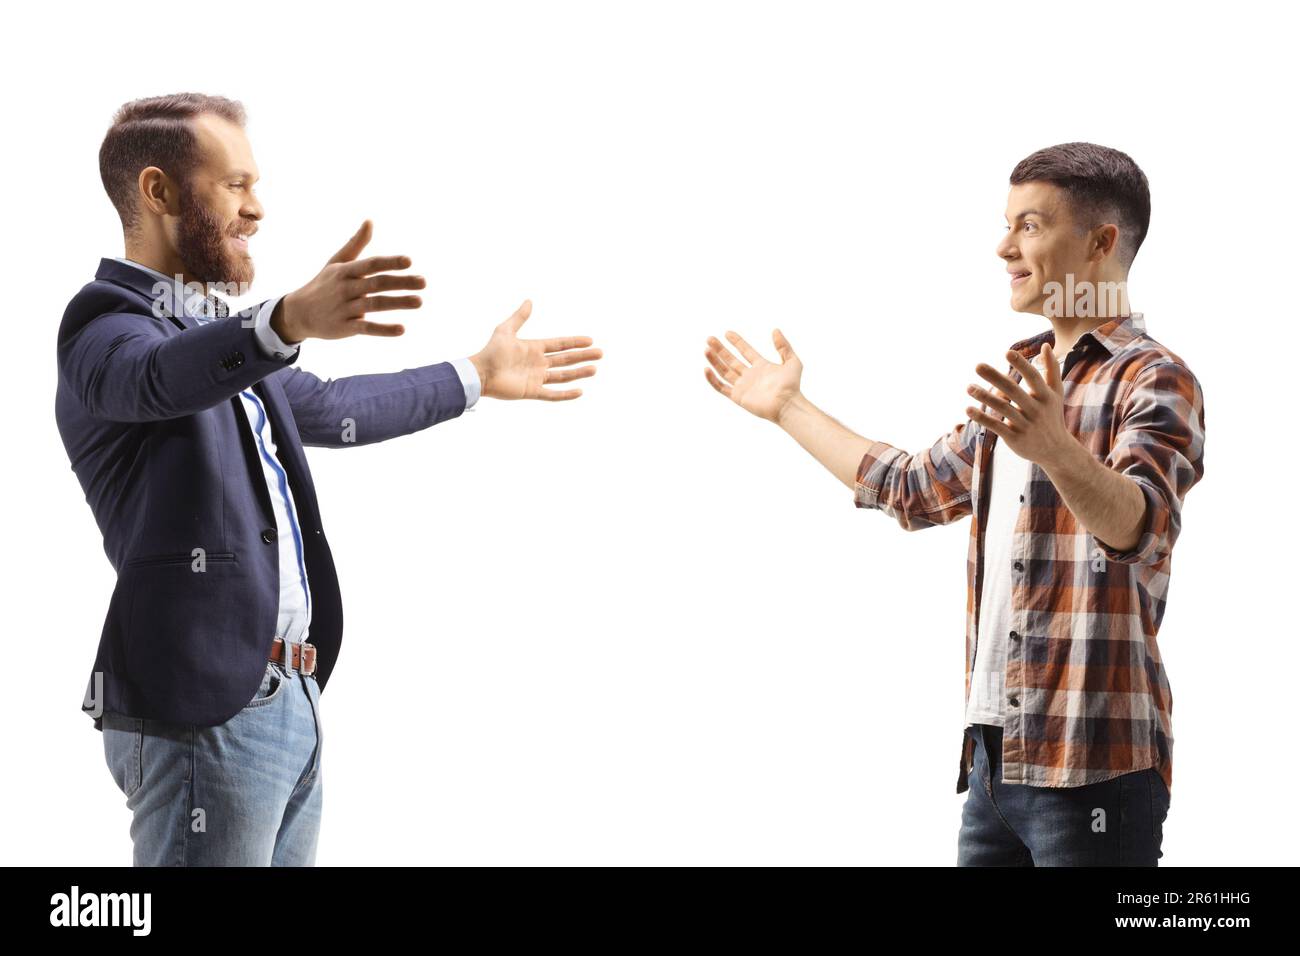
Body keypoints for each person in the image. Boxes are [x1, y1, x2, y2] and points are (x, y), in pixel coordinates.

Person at [56, 92, 602, 866]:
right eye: (236, 185)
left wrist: (477, 375)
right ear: (159, 192)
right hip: (202, 707)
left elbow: (336, 406)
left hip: (289, 701)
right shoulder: (105, 327)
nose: (257, 210)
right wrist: (282, 323)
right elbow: (153, 380)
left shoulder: (221, 347)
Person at [703, 142, 1205, 866]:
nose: (1005, 246)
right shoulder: (1024, 378)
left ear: (1100, 242)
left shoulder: (1155, 377)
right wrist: (788, 408)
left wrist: (1057, 449)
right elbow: (912, 490)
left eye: (1030, 225)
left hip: (1093, 767)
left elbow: (1142, 526)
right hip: (994, 762)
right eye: (1006, 224)